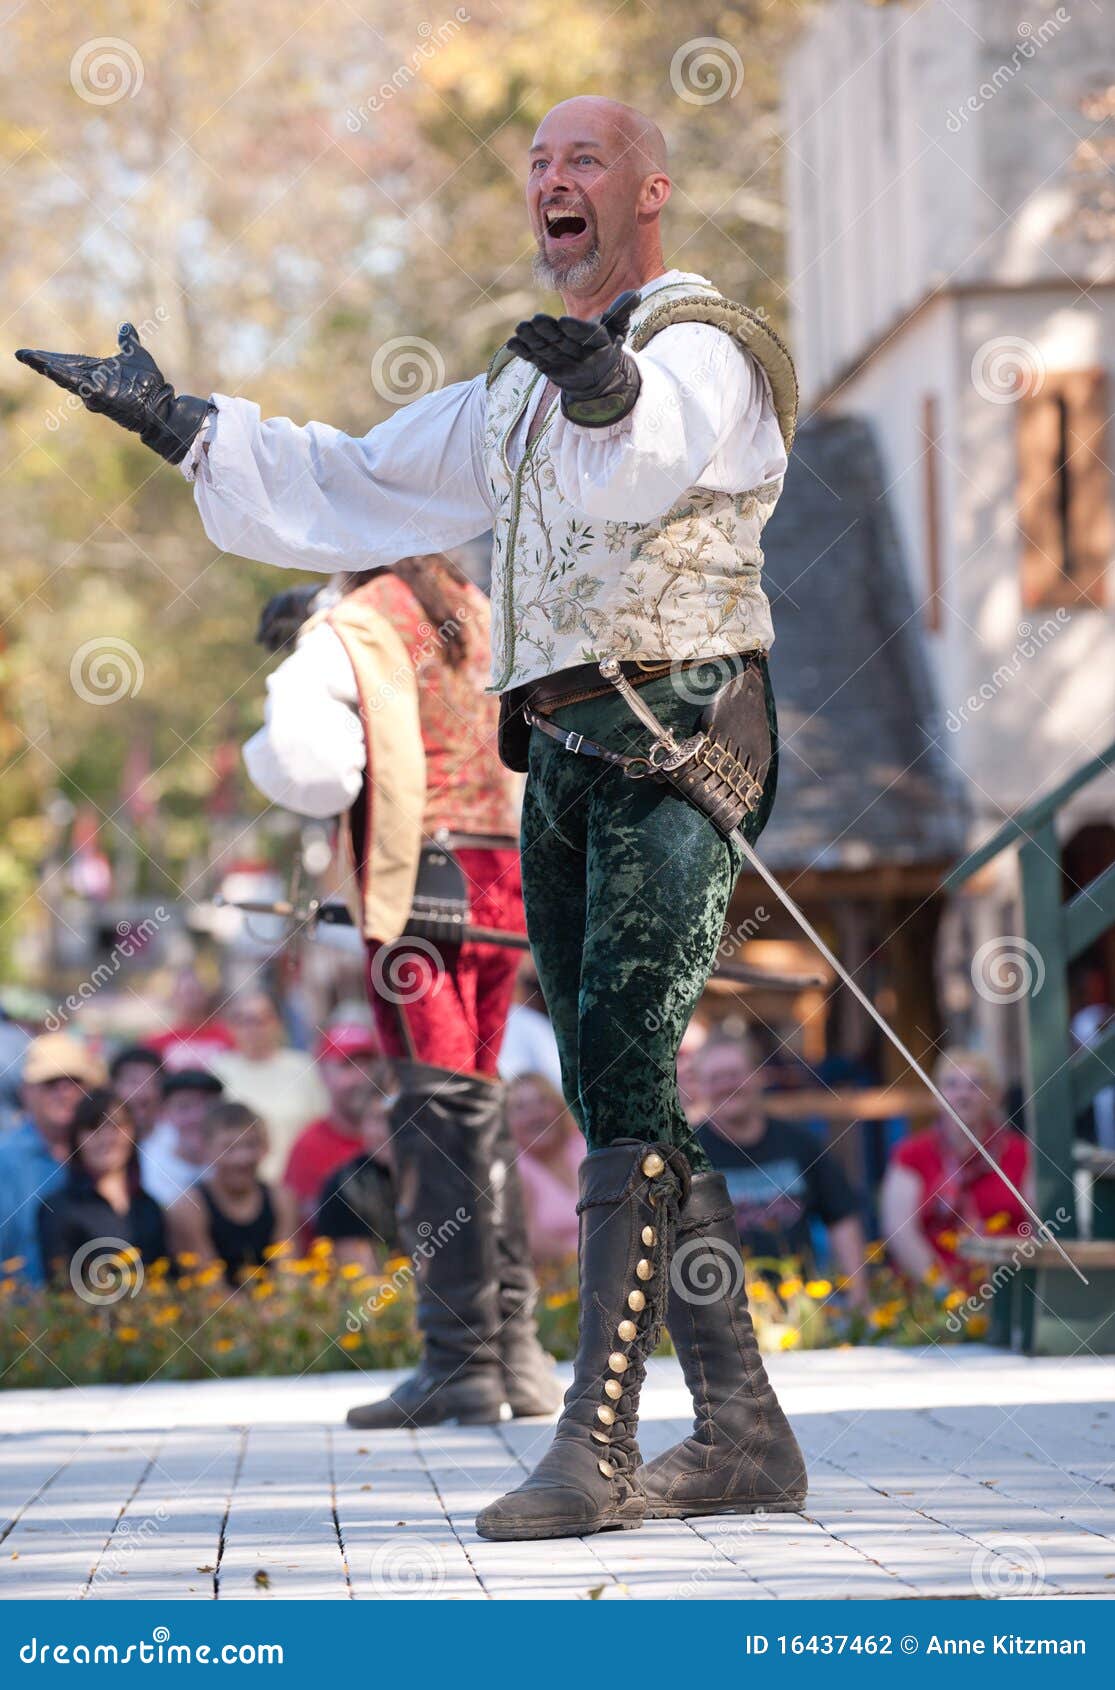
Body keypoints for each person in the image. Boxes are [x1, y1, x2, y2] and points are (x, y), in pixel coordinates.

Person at [17, 93, 805, 1539]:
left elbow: (656, 441)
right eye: (538, 164)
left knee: (620, 1077)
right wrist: (187, 424)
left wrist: (609, 390)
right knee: (610, 1091)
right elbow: (360, 480)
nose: (551, 181)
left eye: (584, 162)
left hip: (679, 736)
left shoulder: (705, 341)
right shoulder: (509, 391)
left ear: (651, 193)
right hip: (558, 753)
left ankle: (595, 1444)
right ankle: (745, 1432)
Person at [243, 561, 562, 1429]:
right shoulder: (490, 608)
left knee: (436, 1107)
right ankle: (516, 1360)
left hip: (419, 883)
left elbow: (309, 770)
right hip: (503, 878)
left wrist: (309, 646)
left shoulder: (358, 618)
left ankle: (461, 1360)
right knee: (474, 1097)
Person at [694, 1035, 870, 1305]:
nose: (726, 1085)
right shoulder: (685, 1154)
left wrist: (859, 1297)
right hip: (717, 1316)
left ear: (759, 1077)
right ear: (701, 1087)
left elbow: (842, 1216)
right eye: (715, 1078)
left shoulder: (800, 1143)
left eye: (734, 1074)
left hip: (803, 1311)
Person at [880, 1048, 1030, 1291]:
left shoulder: (1020, 1153)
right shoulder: (911, 1154)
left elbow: (1038, 1224)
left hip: (1009, 1289)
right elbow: (899, 1231)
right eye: (952, 1085)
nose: (963, 1094)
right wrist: (942, 1291)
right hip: (930, 1297)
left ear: (994, 1095)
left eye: (975, 1085)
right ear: (936, 1095)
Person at [0, 1033, 106, 1286]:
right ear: (26, 1092)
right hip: (22, 1318)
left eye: (74, 1082)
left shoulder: (110, 1153)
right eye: (51, 1083)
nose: (64, 1092)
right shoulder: (6, 1160)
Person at [38, 1089, 166, 1287]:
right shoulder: (57, 1208)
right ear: (77, 1139)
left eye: (117, 1127)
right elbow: (62, 1288)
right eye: (93, 1128)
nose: (107, 1139)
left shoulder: (149, 1206)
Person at [166, 1101, 298, 1285]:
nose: (242, 1158)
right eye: (229, 1148)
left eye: (251, 1145)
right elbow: (211, 1289)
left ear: (265, 1147)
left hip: (276, 1308)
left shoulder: (282, 1199)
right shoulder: (188, 1208)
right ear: (207, 1149)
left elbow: (288, 1276)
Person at [207, 991, 328, 1182]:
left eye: (259, 1020)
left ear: (277, 1024)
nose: (251, 1028)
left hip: (297, 1181)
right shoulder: (218, 1069)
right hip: (238, 1186)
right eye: (242, 1020)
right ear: (232, 1026)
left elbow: (323, 1126)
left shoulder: (304, 1067)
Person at [283, 1025, 393, 1226]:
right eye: (348, 1066)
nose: (361, 1077)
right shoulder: (308, 1147)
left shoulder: (395, 1141)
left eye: (368, 1064)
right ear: (323, 1073)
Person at [312, 1087, 399, 1271]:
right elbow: (361, 1283)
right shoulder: (345, 1186)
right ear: (361, 1125)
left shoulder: (444, 1179)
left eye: (397, 1118)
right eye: (377, 1119)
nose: (386, 1131)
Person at [507, 1073, 584, 1266]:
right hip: (563, 1279)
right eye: (520, 1108)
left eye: (543, 1102)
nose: (535, 1115)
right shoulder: (514, 1169)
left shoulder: (583, 1145)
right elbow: (529, 1238)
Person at [139, 1067, 224, 1208]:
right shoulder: (143, 1166)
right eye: (184, 1107)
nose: (198, 1117)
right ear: (164, 1113)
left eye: (209, 1107)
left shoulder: (236, 1160)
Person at [146, 968, 236, 1072]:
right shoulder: (156, 1041)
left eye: (196, 992)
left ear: (205, 996)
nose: (191, 999)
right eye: (186, 993)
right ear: (174, 997)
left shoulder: (228, 1035)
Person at [108, 1045, 164, 1140]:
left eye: (150, 1083)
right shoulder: (95, 1142)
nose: (141, 1093)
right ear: (112, 1087)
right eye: (133, 1081)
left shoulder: (176, 1143)